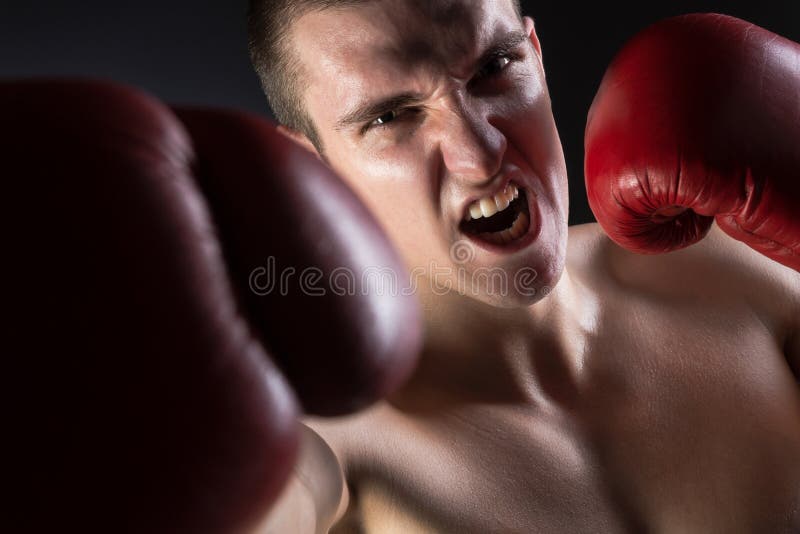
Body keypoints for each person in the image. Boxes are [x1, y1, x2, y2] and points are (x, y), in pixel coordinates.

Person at [246, 1, 800, 532]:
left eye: (494, 67)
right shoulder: (329, 454)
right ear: (312, 170)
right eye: (392, 116)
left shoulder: (743, 269)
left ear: (536, 56)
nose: (481, 153)